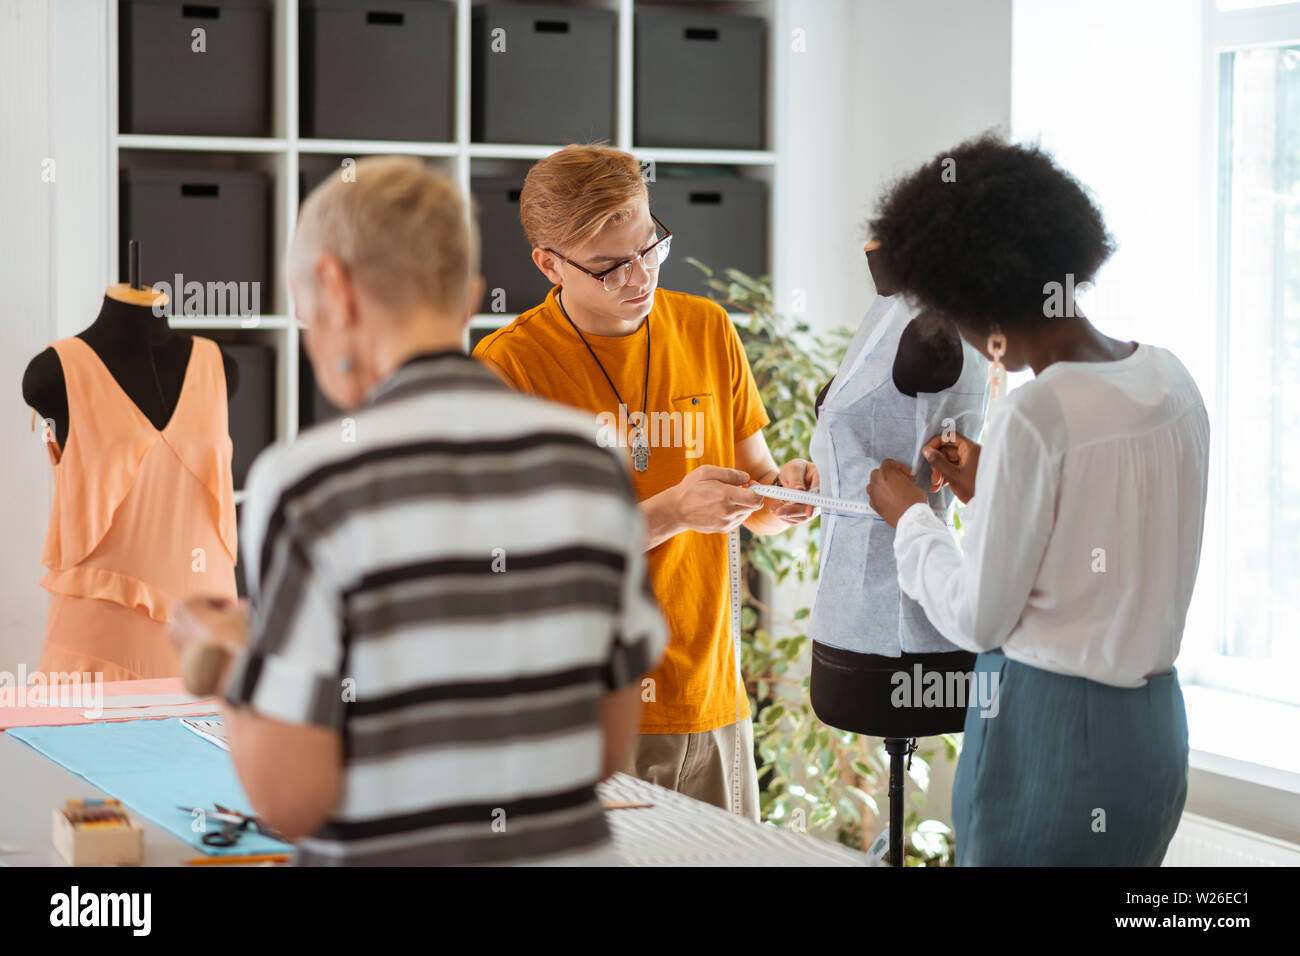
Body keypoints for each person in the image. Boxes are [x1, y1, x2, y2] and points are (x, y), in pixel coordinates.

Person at [169, 155, 668, 865]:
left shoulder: (311, 481)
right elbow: (607, 746)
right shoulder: (591, 465)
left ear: (336, 290)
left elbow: (289, 799)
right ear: (465, 297)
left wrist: (225, 664)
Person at [863, 134, 1210, 866]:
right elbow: (1112, 530)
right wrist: (997, 485)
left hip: (1046, 732)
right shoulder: (1170, 380)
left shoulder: (1037, 412)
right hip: (1152, 733)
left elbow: (979, 616)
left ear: (975, 300)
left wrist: (912, 520)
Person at [472, 144, 815, 819]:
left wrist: (788, 493)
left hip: (713, 701)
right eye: (609, 266)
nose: (639, 275)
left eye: (649, 245)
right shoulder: (507, 367)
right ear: (549, 263)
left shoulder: (708, 329)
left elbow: (757, 501)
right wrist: (674, 510)